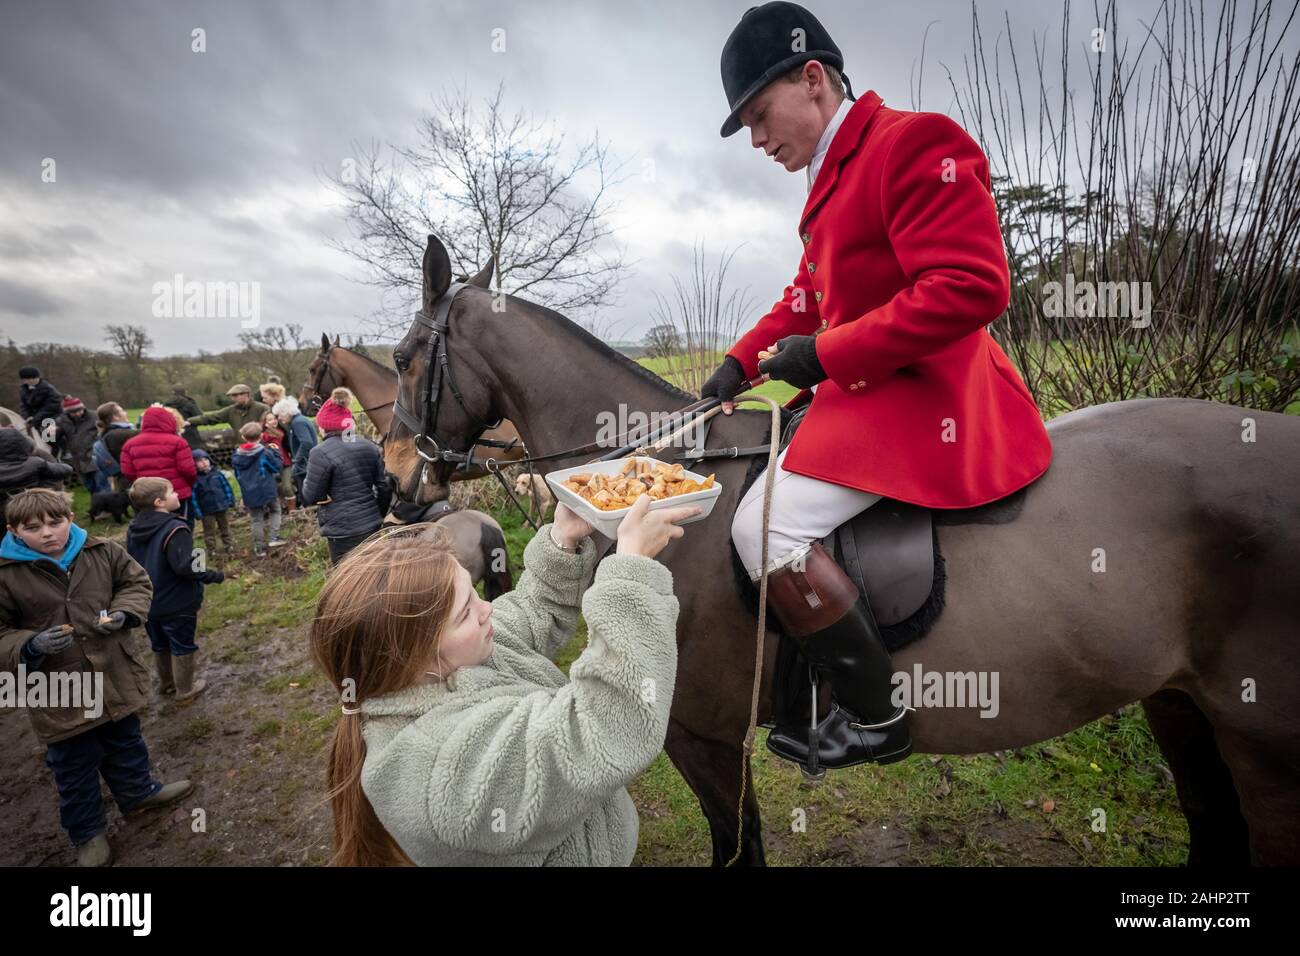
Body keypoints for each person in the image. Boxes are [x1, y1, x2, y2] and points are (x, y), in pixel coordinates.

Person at [705, 2, 1053, 770]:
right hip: (867, 386)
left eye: (760, 117)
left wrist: (825, 355)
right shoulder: (829, 176)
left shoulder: (913, 142)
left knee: (761, 528)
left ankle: (877, 715)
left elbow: (971, 286)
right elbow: (807, 296)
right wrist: (740, 361)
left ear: (813, 78)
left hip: (930, 396)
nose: (758, 140)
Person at [310, 492, 697, 865]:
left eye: (473, 593)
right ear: (412, 656)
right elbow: (610, 725)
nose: (487, 609)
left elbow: (529, 611)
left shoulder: (452, 663)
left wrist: (564, 537)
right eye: (465, 612)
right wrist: (630, 575)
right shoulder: (442, 776)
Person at [0, 487, 193, 867]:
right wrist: (30, 644)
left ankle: (139, 793)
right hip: (55, 688)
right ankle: (88, 833)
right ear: (14, 530)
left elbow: (135, 583)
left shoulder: (101, 550)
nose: (47, 533)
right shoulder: (7, 575)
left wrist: (124, 612)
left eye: (55, 522)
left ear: (70, 520)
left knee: (126, 740)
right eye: (33, 527)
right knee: (73, 764)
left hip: (112, 671)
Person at [125, 477, 225, 702]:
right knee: (182, 643)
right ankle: (185, 689)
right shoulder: (176, 528)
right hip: (177, 601)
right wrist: (213, 575)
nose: (177, 494)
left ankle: (167, 684)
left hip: (148, 600)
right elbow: (185, 566)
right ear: (159, 502)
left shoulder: (134, 528)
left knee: (159, 643)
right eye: (172, 492)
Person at [300, 389, 383, 564]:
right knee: (375, 571)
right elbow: (384, 486)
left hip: (343, 530)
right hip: (372, 523)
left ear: (324, 425)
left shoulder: (320, 453)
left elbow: (310, 495)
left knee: (347, 580)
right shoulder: (368, 446)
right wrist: (377, 512)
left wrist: (323, 495)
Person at [120, 406, 198, 527]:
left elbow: (128, 472)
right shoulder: (178, 442)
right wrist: (187, 485)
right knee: (182, 526)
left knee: (153, 528)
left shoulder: (129, 444)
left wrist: (143, 486)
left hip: (147, 496)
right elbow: (188, 470)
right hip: (176, 494)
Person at [231, 422, 284, 557]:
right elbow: (277, 467)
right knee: (275, 510)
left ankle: (260, 548)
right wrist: (276, 452)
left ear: (243, 437)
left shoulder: (237, 456)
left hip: (249, 491)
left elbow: (237, 475)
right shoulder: (265, 452)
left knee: (256, 518)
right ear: (261, 435)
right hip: (267, 488)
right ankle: (274, 537)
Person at [0, 427, 73, 500]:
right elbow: (66, 469)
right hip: (31, 502)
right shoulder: (35, 463)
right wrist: (43, 485)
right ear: (24, 445)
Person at [190, 449, 235, 562]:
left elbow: (226, 488)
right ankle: (212, 550)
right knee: (209, 531)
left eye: (206, 459)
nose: (204, 462)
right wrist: (197, 512)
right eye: (200, 461)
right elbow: (194, 497)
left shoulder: (217, 474)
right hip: (207, 510)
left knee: (225, 527)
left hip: (221, 506)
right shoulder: (195, 479)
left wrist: (230, 500)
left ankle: (229, 546)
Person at [272, 397, 317, 508]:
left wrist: (296, 459)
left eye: (279, 415)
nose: (279, 419)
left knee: (307, 497)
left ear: (286, 412)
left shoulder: (298, 423)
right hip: (306, 464)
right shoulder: (298, 421)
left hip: (305, 465)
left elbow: (306, 443)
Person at [54, 397, 105, 495]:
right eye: (74, 412)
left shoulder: (94, 416)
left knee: (102, 486)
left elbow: (105, 432)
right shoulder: (61, 421)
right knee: (90, 487)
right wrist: (50, 433)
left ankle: (107, 508)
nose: (78, 413)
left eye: (80, 410)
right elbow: (51, 441)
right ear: (67, 412)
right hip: (79, 460)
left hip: (95, 457)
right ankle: (98, 507)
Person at [186, 384, 269, 440]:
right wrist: (189, 421)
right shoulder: (230, 410)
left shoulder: (262, 408)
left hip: (260, 445)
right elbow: (211, 417)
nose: (233, 398)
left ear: (246, 394)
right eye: (232, 396)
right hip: (242, 448)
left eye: (235, 395)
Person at [92, 403, 138, 492]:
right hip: (130, 481)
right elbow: (148, 434)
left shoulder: (109, 433)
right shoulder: (118, 434)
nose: (126, 413)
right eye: (122, 411)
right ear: (115, 417)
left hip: (123, 479)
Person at [260, 410, 296, 515]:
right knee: (276, 487)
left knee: (287, 487)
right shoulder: (264, 436)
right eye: (270, 419)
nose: (273, 421)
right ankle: (280, 508)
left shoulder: (282, 431)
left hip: (285, 462)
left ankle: (293, 511)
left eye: (274, 419)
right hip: (272, 465)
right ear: (265, 423)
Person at [17, 366, 63, 443]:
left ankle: (60, 450)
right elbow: (24, 406)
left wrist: (35, 418)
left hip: (52, 416)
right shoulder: (23, 390)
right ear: (23, 380)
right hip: (34, 418)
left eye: (34, 378)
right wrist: (27, 416)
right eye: (28, 379)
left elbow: (51, 407)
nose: (31, 381)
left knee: (47, 434)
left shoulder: (49, 389)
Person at [160, 384, 203, 450]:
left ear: (173, 392)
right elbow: (200, 415)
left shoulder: (166, 404)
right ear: (185, 392)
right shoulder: (188, 403)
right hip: (191, 436)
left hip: (172, 435)